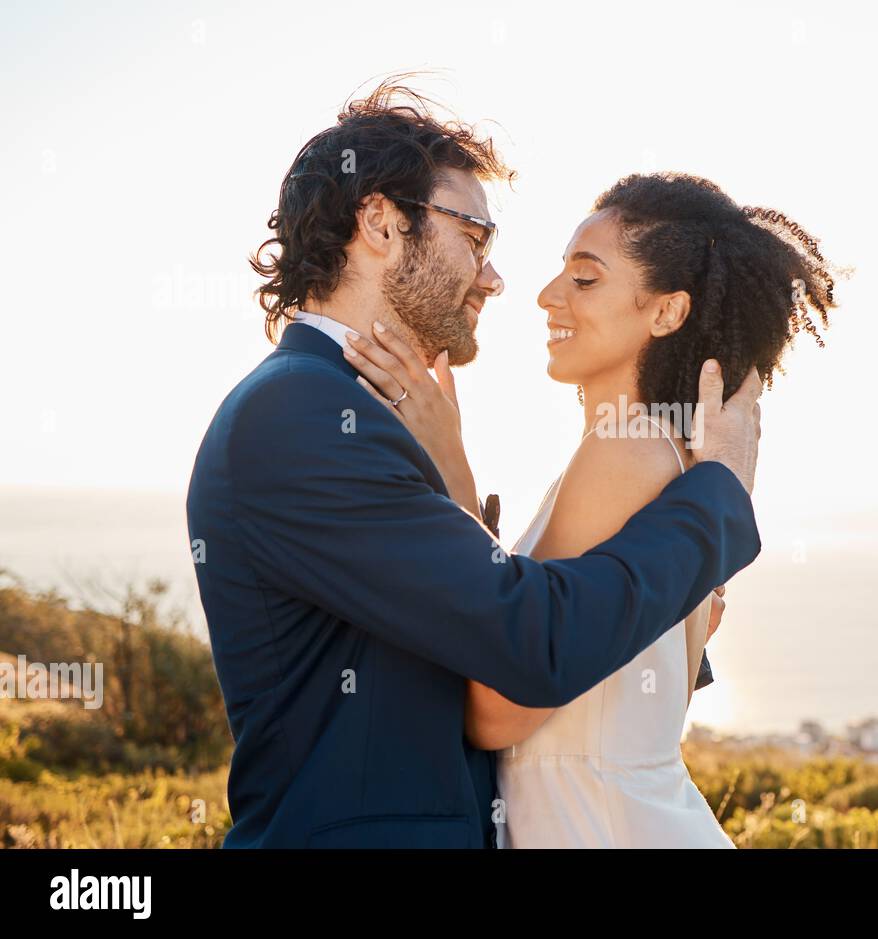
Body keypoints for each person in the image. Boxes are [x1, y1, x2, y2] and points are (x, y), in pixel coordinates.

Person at [186, 79, 762, 848]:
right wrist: (721, 499)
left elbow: (484, 620)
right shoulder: (298, 414)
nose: (496, 278)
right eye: (476, 238)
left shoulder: (341, 411)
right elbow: (528, 642)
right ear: (383, 225)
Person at [348, 172, 836, 846]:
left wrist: (451, 477)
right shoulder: (663, 461)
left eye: (585, 278)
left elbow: (500, 708)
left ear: (666, 312)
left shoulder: (624, 452)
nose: (549, 296)